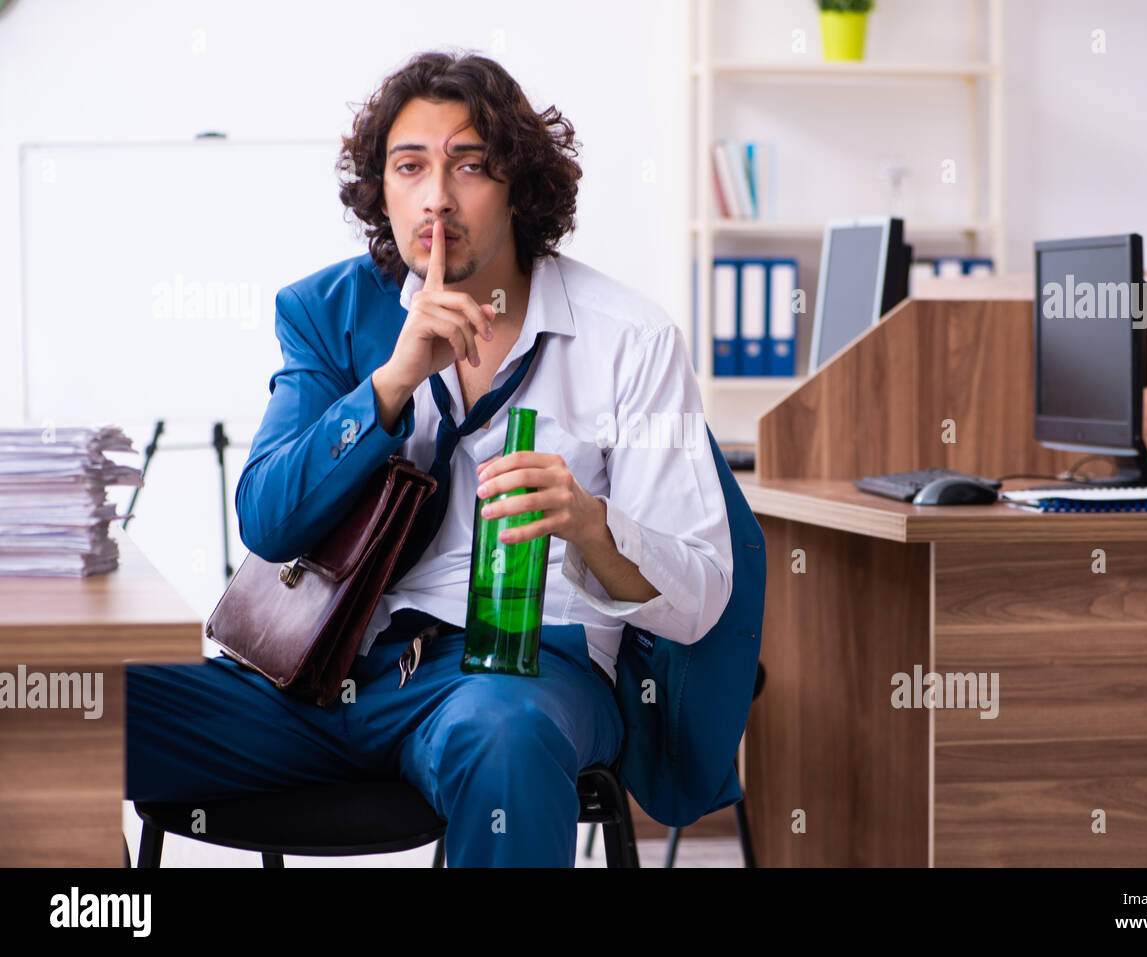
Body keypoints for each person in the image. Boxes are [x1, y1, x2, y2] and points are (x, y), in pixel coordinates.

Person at [125, 49, 733, 867]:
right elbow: (268, 520)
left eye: (471, 165)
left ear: (521, 184)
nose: (437, 197)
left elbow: (698, 595)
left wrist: (591, 525)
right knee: (71, 708)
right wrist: (389, 383)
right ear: (382, 189)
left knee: (505, 735)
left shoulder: (630, 338)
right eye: (409, 167)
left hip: (513, 679)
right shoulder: (330, 313)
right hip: (320, 679)